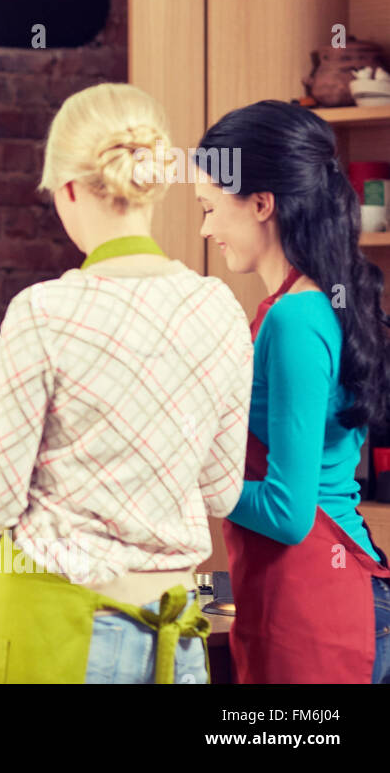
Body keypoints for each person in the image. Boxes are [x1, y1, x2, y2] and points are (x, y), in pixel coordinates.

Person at [0, 83, 254, 683]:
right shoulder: (218, 307)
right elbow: (222, 495)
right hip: (175, 627)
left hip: (65, 626)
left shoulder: (44, 311)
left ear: (68, 189)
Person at [197, 100, 390, 683]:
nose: (206, 229)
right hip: (304, 598)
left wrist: (191, 475)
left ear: (261, 203)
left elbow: (286, 513)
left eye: (210, 208)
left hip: (321, 608)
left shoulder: (295, 319)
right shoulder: (300, 307)